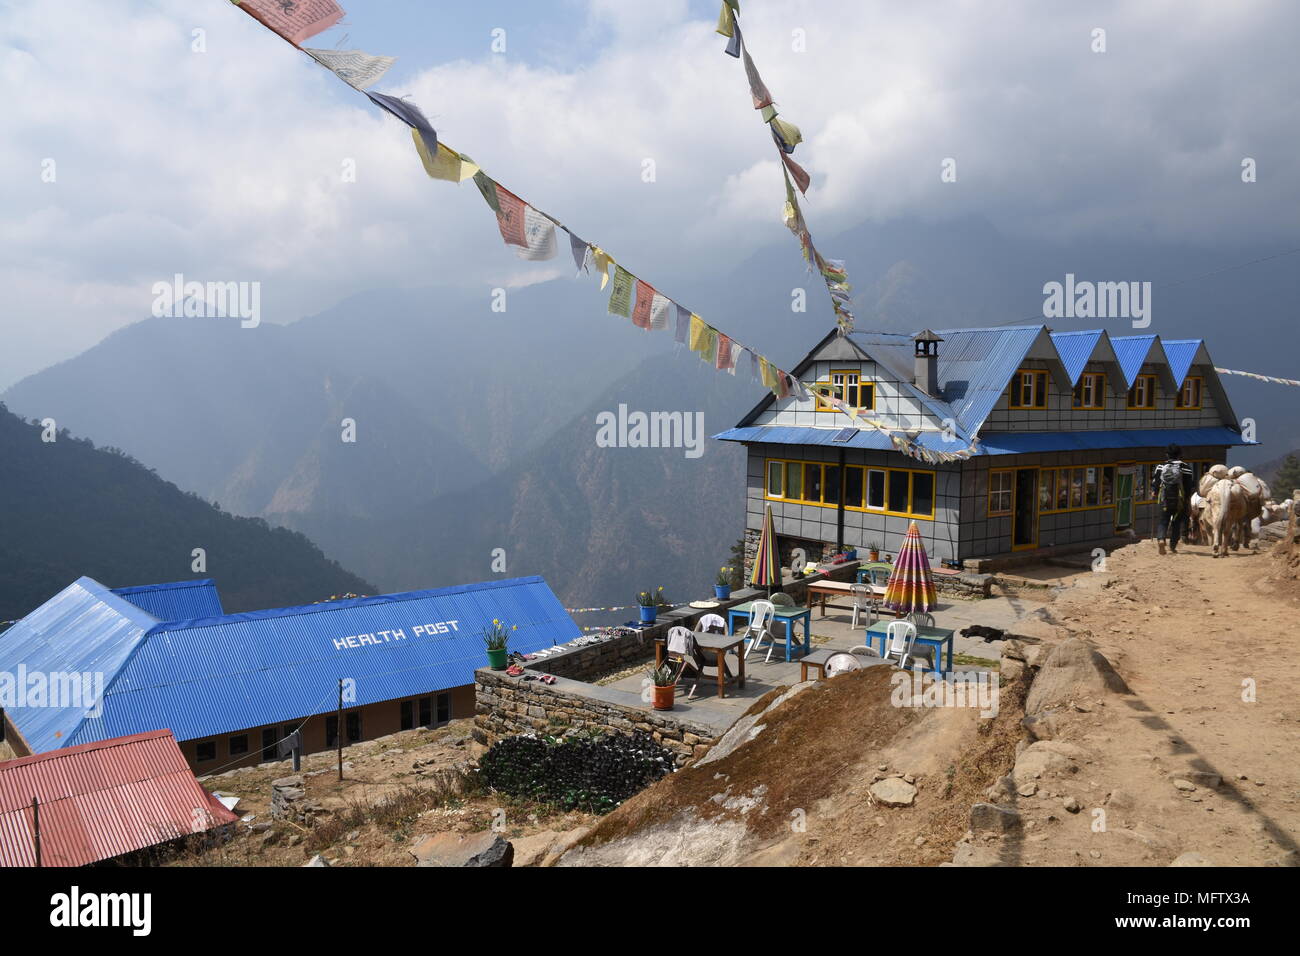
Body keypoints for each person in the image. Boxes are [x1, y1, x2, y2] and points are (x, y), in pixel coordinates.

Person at [1151, 444, 1194, 554]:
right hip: (1180, 500)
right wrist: (1187, 500)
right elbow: (1189, 486)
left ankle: (1161, 539)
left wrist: (1155, 493)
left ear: (1167, 454)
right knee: (1176, 522)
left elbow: (1156, 483)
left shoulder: (1160, 466)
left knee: (1163, 521)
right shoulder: (1185, 467)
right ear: (1180, 454)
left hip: (1164, 499)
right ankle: (1172, 546)